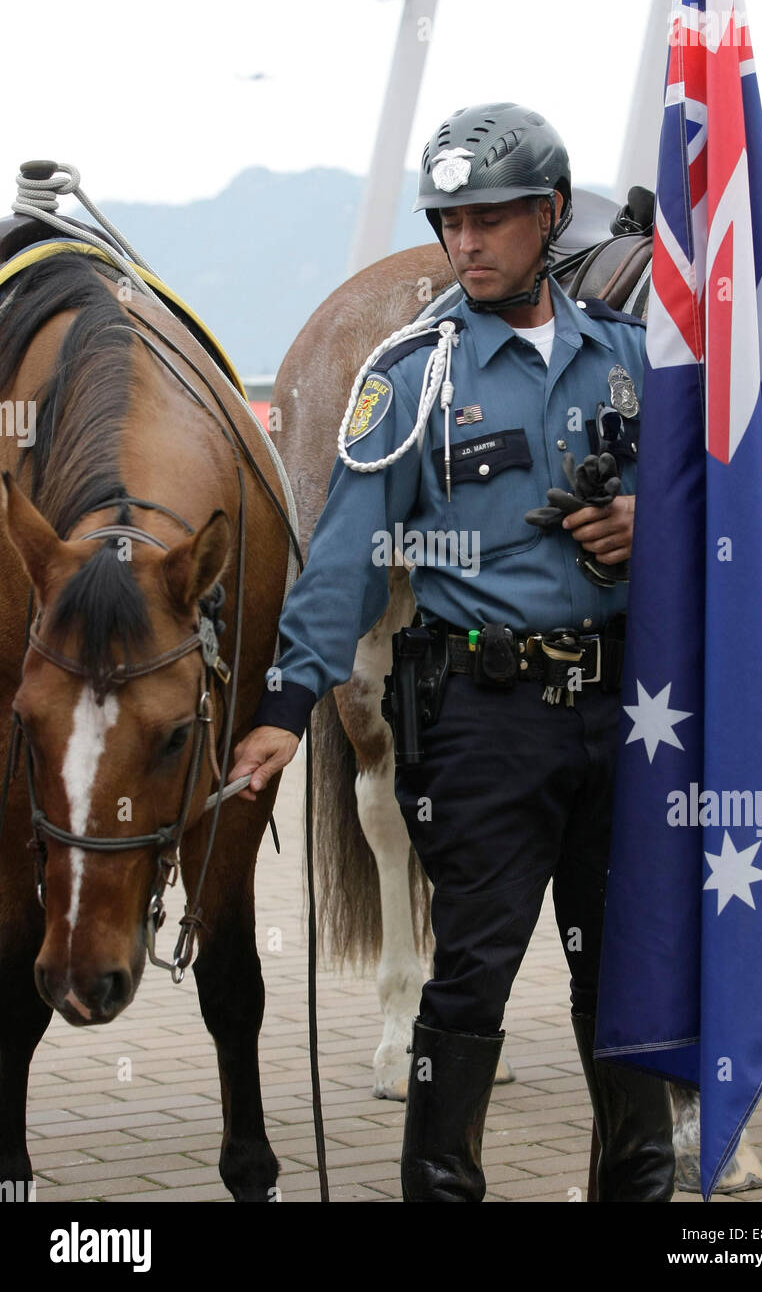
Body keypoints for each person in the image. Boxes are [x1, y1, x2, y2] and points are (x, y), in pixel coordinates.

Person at [229, 102, 674, 1203]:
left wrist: (645, 525)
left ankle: (642, 1192)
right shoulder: (409, 375)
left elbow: (711, 519)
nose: (464, 242)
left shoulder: (636, 360)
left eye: (487, 219)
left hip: (623, 712)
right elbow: (344, 556)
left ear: (549, 214)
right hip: (483, 721)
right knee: (469, 982)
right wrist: (286, 708)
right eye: (450, 221)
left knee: (625, 978)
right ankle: (439, 1190)